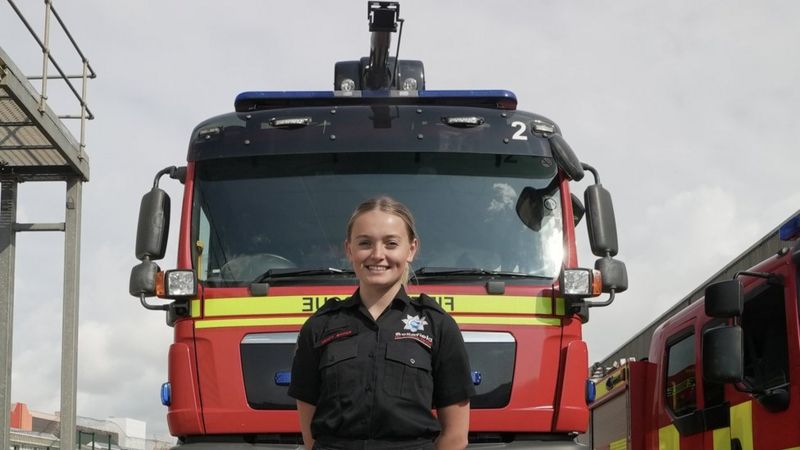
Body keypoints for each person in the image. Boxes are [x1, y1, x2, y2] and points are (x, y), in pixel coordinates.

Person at [288, 196, 474, 450]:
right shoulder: (320, 326)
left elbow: (455, 437)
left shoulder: (437, 325)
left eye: (391, 243)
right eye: (365, 243)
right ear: (349, 249)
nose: (378, 255)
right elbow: (311, 435)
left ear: (411, 249)